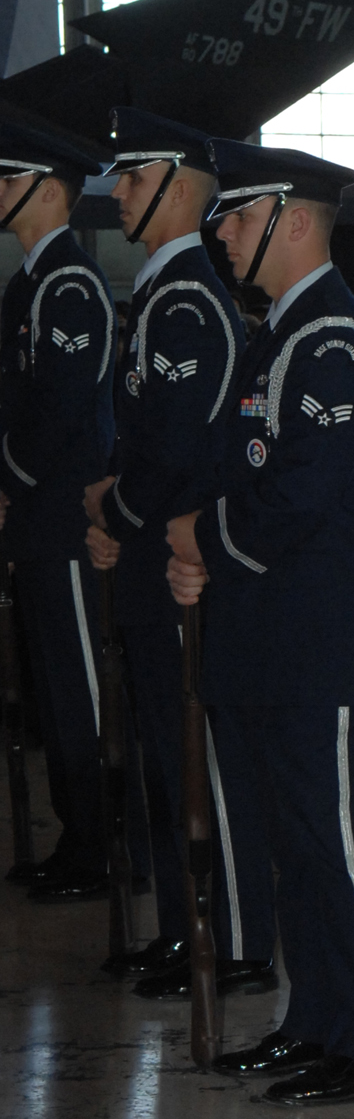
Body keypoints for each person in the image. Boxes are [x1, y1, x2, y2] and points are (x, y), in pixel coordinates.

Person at [165, 140, 354, 1105]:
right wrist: (201, 561)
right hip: (277, 637)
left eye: (237, 214)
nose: (221, 231)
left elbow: (297, 496)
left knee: (339, 845)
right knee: (297, 845)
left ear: (296, 219)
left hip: (333, 643)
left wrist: (202, 537)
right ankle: (318, 1021)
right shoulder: (279, 335)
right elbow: (248, 478)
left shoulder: (336, 342)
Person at [82, 106, 275, 995]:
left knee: (196, 750)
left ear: (179, 185)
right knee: (168, 747)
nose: (117, 192)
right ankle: (184, 923)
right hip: (153, 554)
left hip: (181, 562)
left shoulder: (190, 296)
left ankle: (230, 937)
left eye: (132, 176)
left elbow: (180, 452)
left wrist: (116, 511)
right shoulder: (163, 291)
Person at [0, 103, 116, 900]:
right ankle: (78, 839)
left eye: (9, 177)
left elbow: (60, 409)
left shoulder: (68, 284)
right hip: (34, 517)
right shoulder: (30, 283)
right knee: (52, 685)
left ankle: (103, 848)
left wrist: (4, 482)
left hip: (63, 516)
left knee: (81, 690)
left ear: (50, 191)